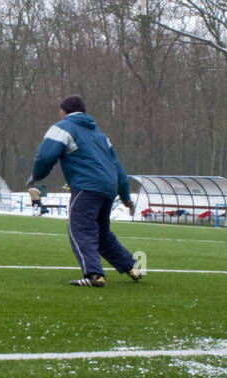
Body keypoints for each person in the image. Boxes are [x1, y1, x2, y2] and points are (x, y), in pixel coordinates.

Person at [28, 94, 142, 288]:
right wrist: (125, 196)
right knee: (101, 233)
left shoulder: (63, 127)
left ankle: (94, 275)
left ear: (64, 111)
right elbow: (118, 168)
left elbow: (45, 156)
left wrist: (35, 177)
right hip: (109, 187)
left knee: (80, 229)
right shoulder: (100, 135)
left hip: (87, 186)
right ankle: (131, 267)